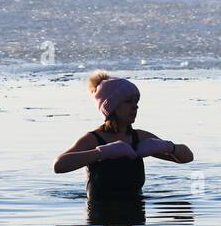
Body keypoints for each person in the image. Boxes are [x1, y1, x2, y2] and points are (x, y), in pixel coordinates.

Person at [54, 72, 194, 203]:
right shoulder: (94, 139)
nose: (135, 107)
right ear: (111, 107)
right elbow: (59, 165)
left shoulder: (139, 137)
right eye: (128, 102)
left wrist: (168, 146)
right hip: (101, 218)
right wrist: (101, 153)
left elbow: (187, 157)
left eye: (136, 102)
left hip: (136, 216)